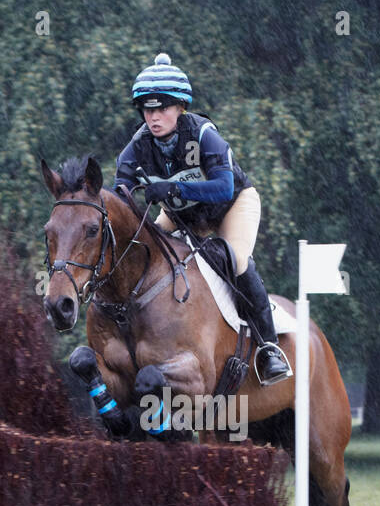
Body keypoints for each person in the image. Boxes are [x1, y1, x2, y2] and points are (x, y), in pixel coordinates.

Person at [114, 53, 293, 386]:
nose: (154, 117)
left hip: (232, 206)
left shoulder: (203, 133)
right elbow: (117, 194)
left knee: (235, 259)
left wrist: (170, 187)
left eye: (163, 108)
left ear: (181, 107)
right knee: (142, 252)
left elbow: (224, 187)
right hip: (180, 213)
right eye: (148, 110)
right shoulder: (137, 147)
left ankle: (269, 349)